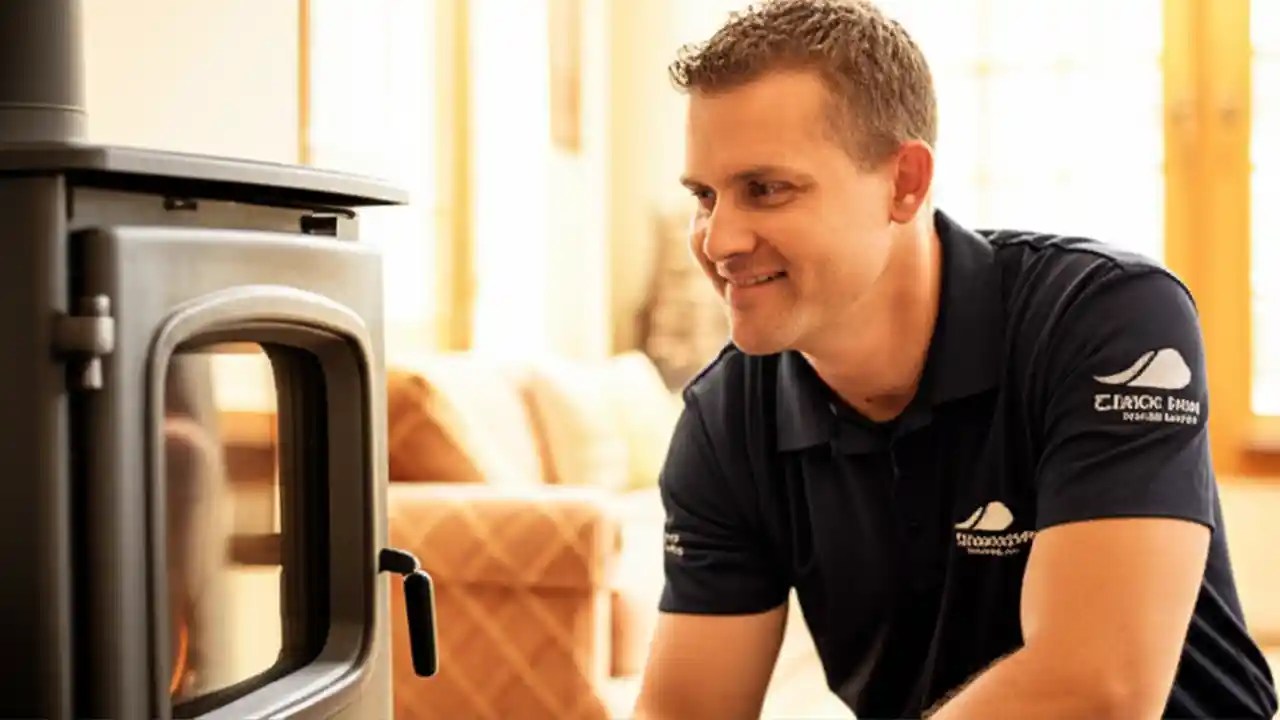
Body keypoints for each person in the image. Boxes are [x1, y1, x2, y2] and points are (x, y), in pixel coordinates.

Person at [631, 1, 1280, 718]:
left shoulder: (1109, 319)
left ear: (905, 183)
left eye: (766, 189)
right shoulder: (725, 420)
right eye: (704, 195)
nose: (717, 241)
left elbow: (1099, 688)